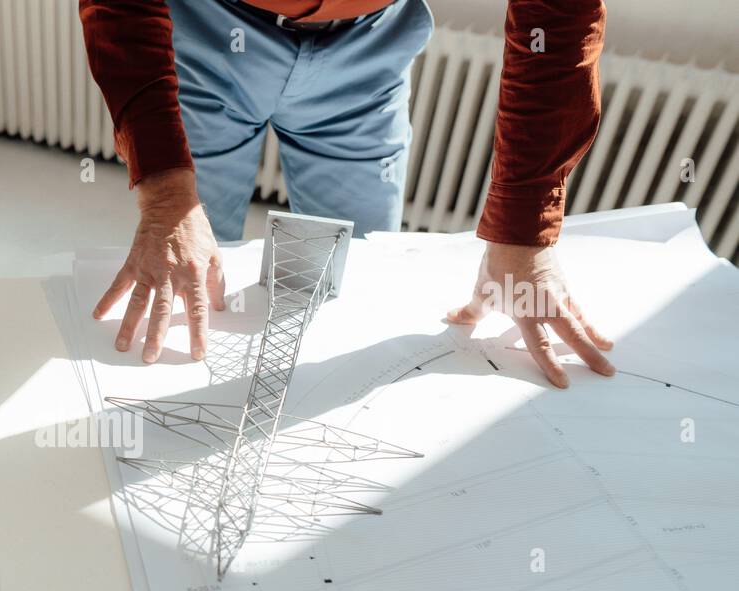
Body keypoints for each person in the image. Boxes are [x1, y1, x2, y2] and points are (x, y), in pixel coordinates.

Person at [79, 0, 616, 388]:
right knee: (190, 269)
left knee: (356, 275)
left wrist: (525, 234)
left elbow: (558, 15)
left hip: (371, 41)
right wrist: (167, 195)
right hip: (204, 26)